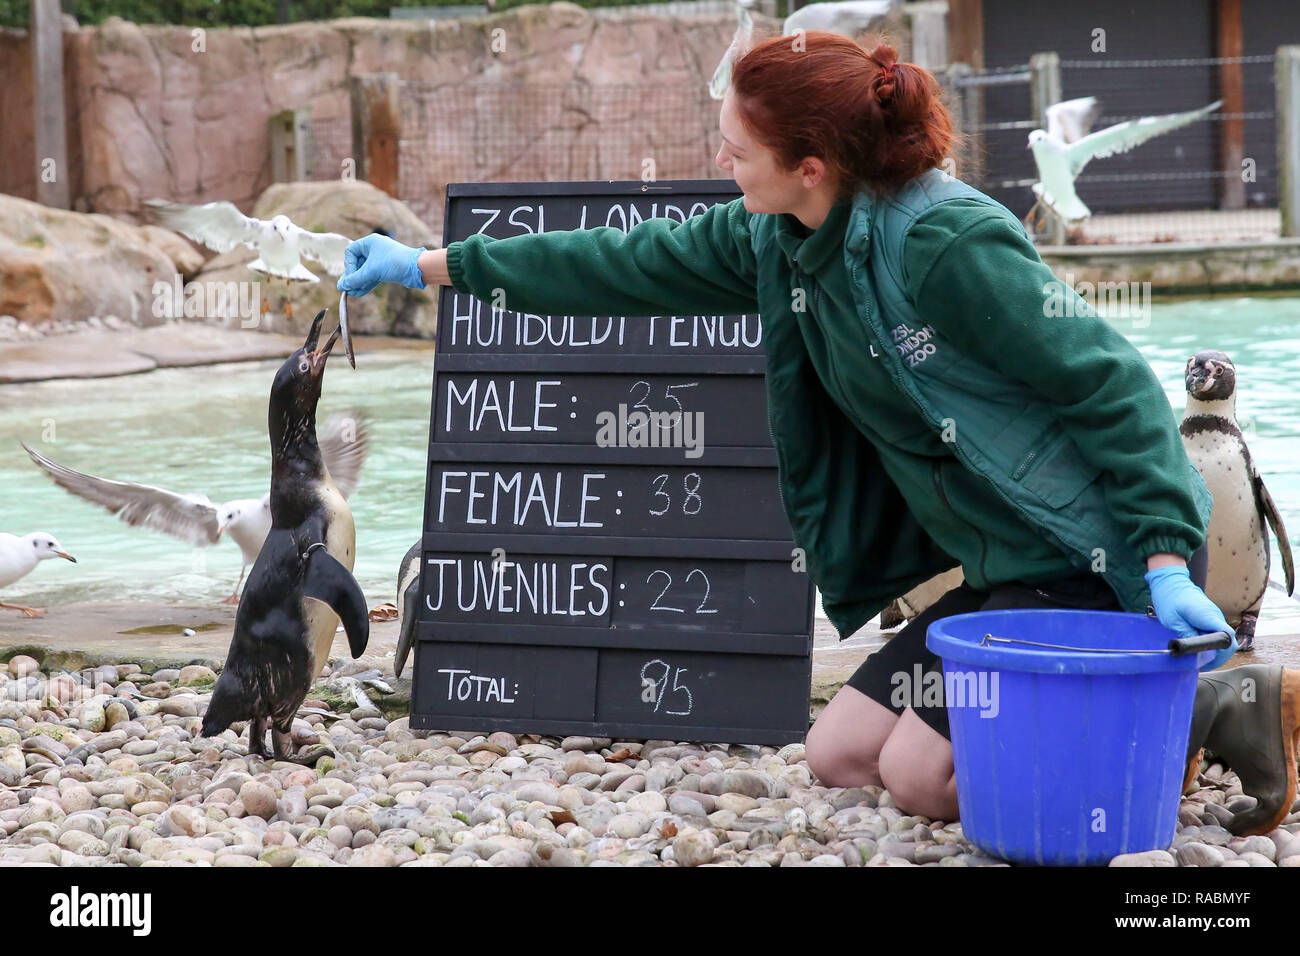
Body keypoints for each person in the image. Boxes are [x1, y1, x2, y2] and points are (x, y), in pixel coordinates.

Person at [338, 33, 1300, 835]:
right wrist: (430, 265)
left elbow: (1111, 383)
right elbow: (620, 263)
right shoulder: (777, 235)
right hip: (1000, 568)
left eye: (735, 149)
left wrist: (1168, 558)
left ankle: (1211, 702)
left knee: (925, 781)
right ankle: (1111, 716)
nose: (720, 163)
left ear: (811, 164)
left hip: (1082, 556)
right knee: (840, 756)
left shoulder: (948, 242)